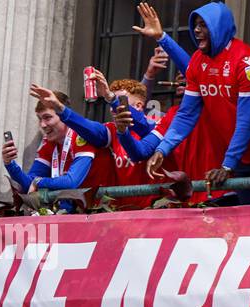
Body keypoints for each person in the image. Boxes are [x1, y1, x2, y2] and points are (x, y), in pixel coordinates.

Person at [143, 2, 250, 204]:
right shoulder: (197, 61)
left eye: (203, 25)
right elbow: (187, 114)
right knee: (247, 217)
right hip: (238, 156)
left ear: (219, 27)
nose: (196, 30)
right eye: (195, 24)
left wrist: (227, 165)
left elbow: (248, 121)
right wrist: (163, 149)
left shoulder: (248, 64)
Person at [48, 71, 174, 209]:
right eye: (111, 103)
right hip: (121, 214)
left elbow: (139, 151)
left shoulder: (156, 127)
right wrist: (61, 109)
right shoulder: (112, 130)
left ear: (138, 106)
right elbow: (88, 126)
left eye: (119, 101)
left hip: (156, 212)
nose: (113, 109)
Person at [3, 89, 117, 213]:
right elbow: (29, 184)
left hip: (106, 211)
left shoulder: (82, 136)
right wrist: (10, 164)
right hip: (78, 214)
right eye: (39, 119)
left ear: (63, 117)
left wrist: (39, 182)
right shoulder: (49, 144)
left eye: (47, 118)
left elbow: (71, 182)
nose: (42, 125)